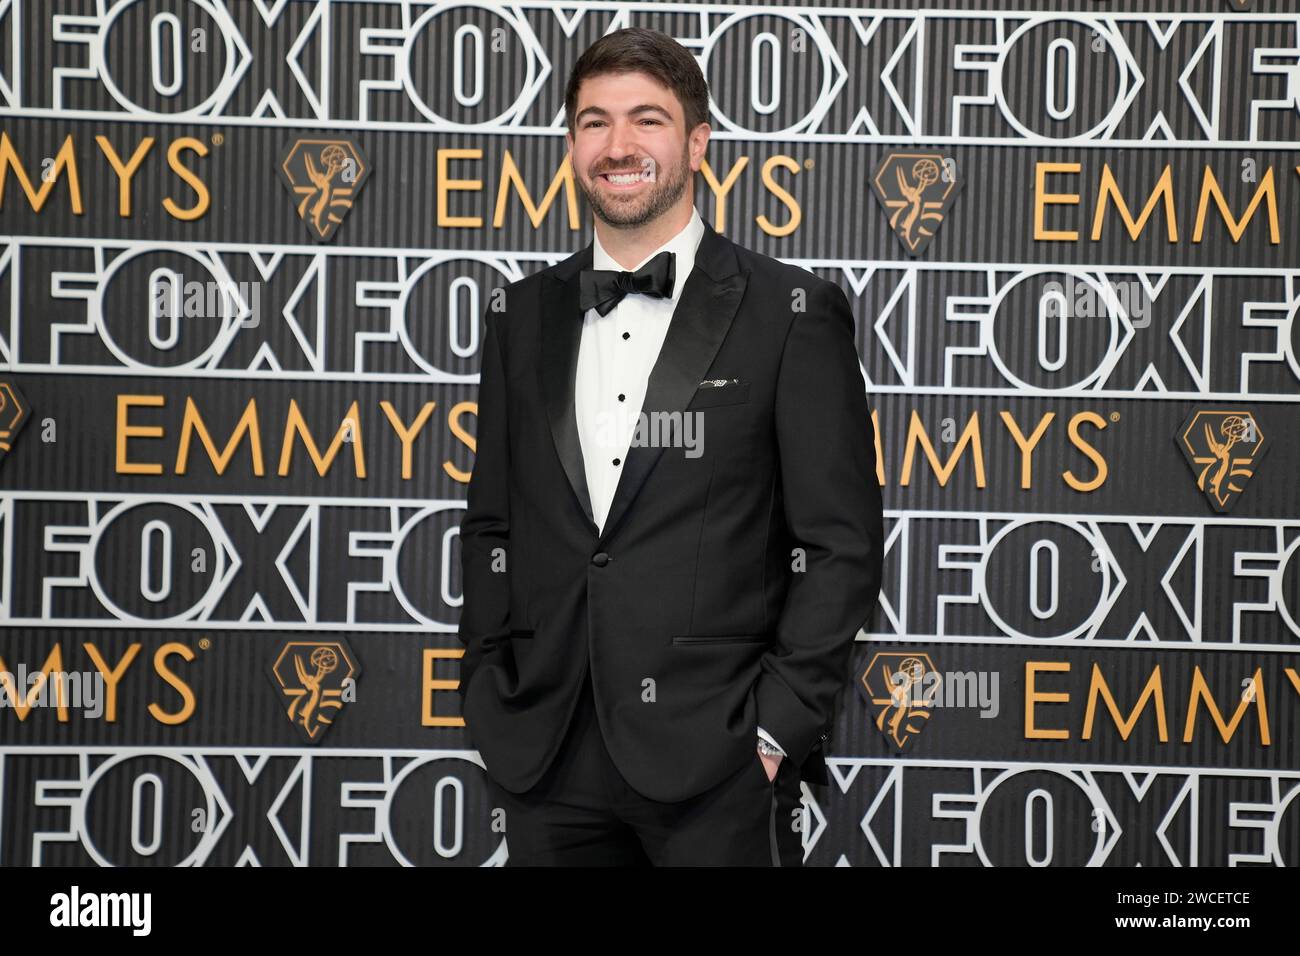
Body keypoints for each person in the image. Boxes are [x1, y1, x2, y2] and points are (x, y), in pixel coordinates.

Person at [456, 26, 883, 866]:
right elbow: (491, 524)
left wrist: (776, 727)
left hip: (719, 759)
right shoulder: (523, 314)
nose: (619, 146)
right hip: (544, 756)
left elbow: (840, 544)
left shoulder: (790, 313)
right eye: (594, 122)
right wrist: (486, 689)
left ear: (697, 143)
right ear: (571, 144)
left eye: (647, 120)